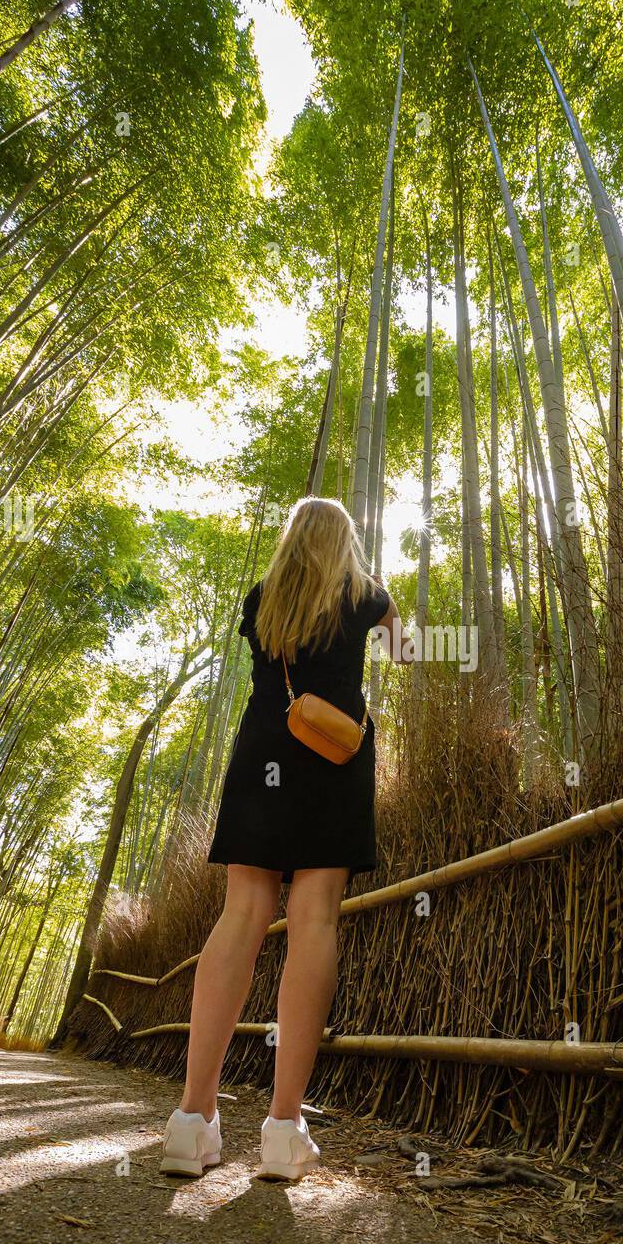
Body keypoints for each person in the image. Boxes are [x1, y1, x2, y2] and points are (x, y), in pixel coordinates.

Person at [160, 496, 409, 1180]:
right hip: (335, 757)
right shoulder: (366, 594)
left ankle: (191, 1121)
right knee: (314, 920)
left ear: (291, 539)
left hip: (263, 750)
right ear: (347, 542)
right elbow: (406, 651)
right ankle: (281, 1129)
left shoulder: (261, 598)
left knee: (242, 912)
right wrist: (382, 612)